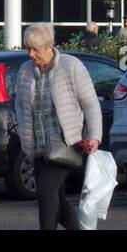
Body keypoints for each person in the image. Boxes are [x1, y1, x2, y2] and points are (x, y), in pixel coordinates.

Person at [14, 23, 102, 231]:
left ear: (50, 45)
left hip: (68, 142)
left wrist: (95, 136)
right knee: (56, 200)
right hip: (38, 146)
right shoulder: (25, 71)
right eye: (28, 48)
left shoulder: (71, 66)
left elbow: (90, 104)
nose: (30, 54)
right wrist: (22, 130)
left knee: (45, 190)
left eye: (35, 49)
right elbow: (19, 103)